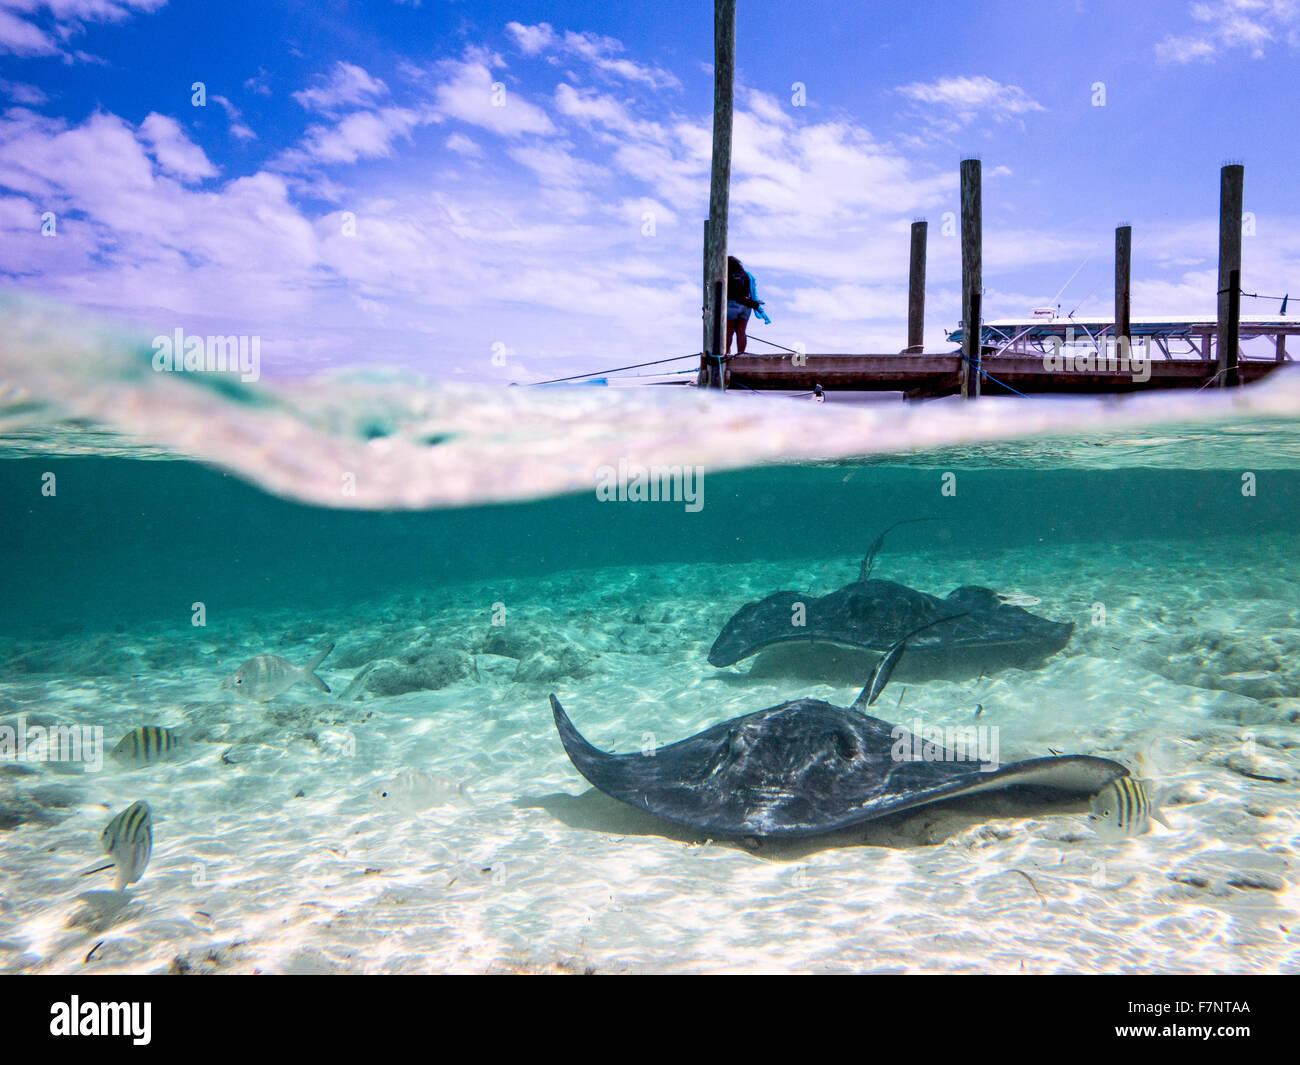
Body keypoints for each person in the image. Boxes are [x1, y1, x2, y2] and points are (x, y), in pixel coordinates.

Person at [725, 255, 770, 355]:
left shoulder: (726, 274)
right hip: (747, 305)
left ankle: (727, 353)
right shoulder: (747, 275)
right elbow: (752, 290)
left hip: (732, 304)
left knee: (729, 331)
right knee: (741, 331)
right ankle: (741, 353)